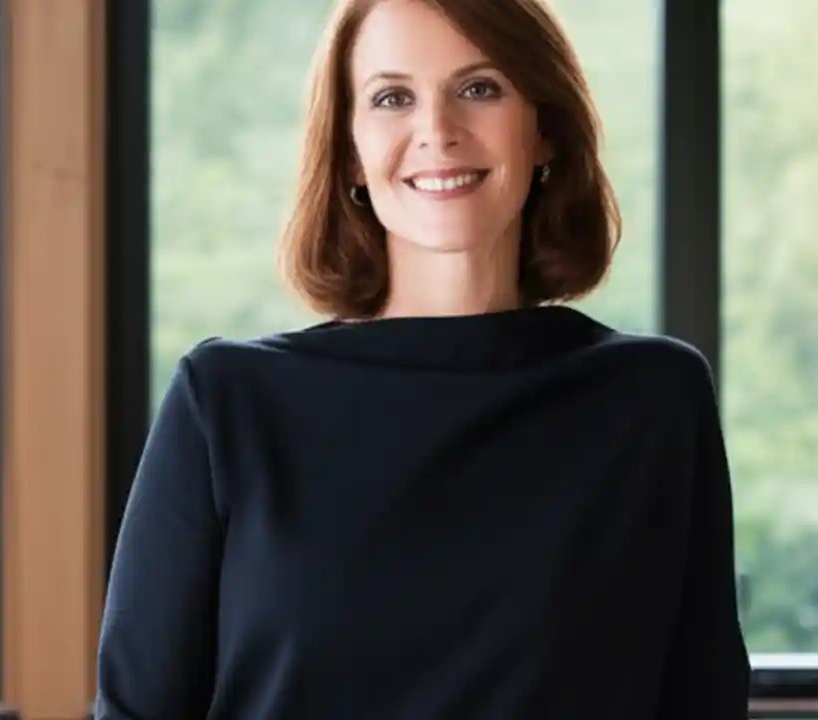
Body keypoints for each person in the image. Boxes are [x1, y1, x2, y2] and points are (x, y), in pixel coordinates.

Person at [93, 0, 752, 717]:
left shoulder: (654, 399)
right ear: (351, 150)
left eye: (479, 88)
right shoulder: (227, 401)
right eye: (392, 98)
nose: (438, 130)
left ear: (545, 131)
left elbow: (702, 699)